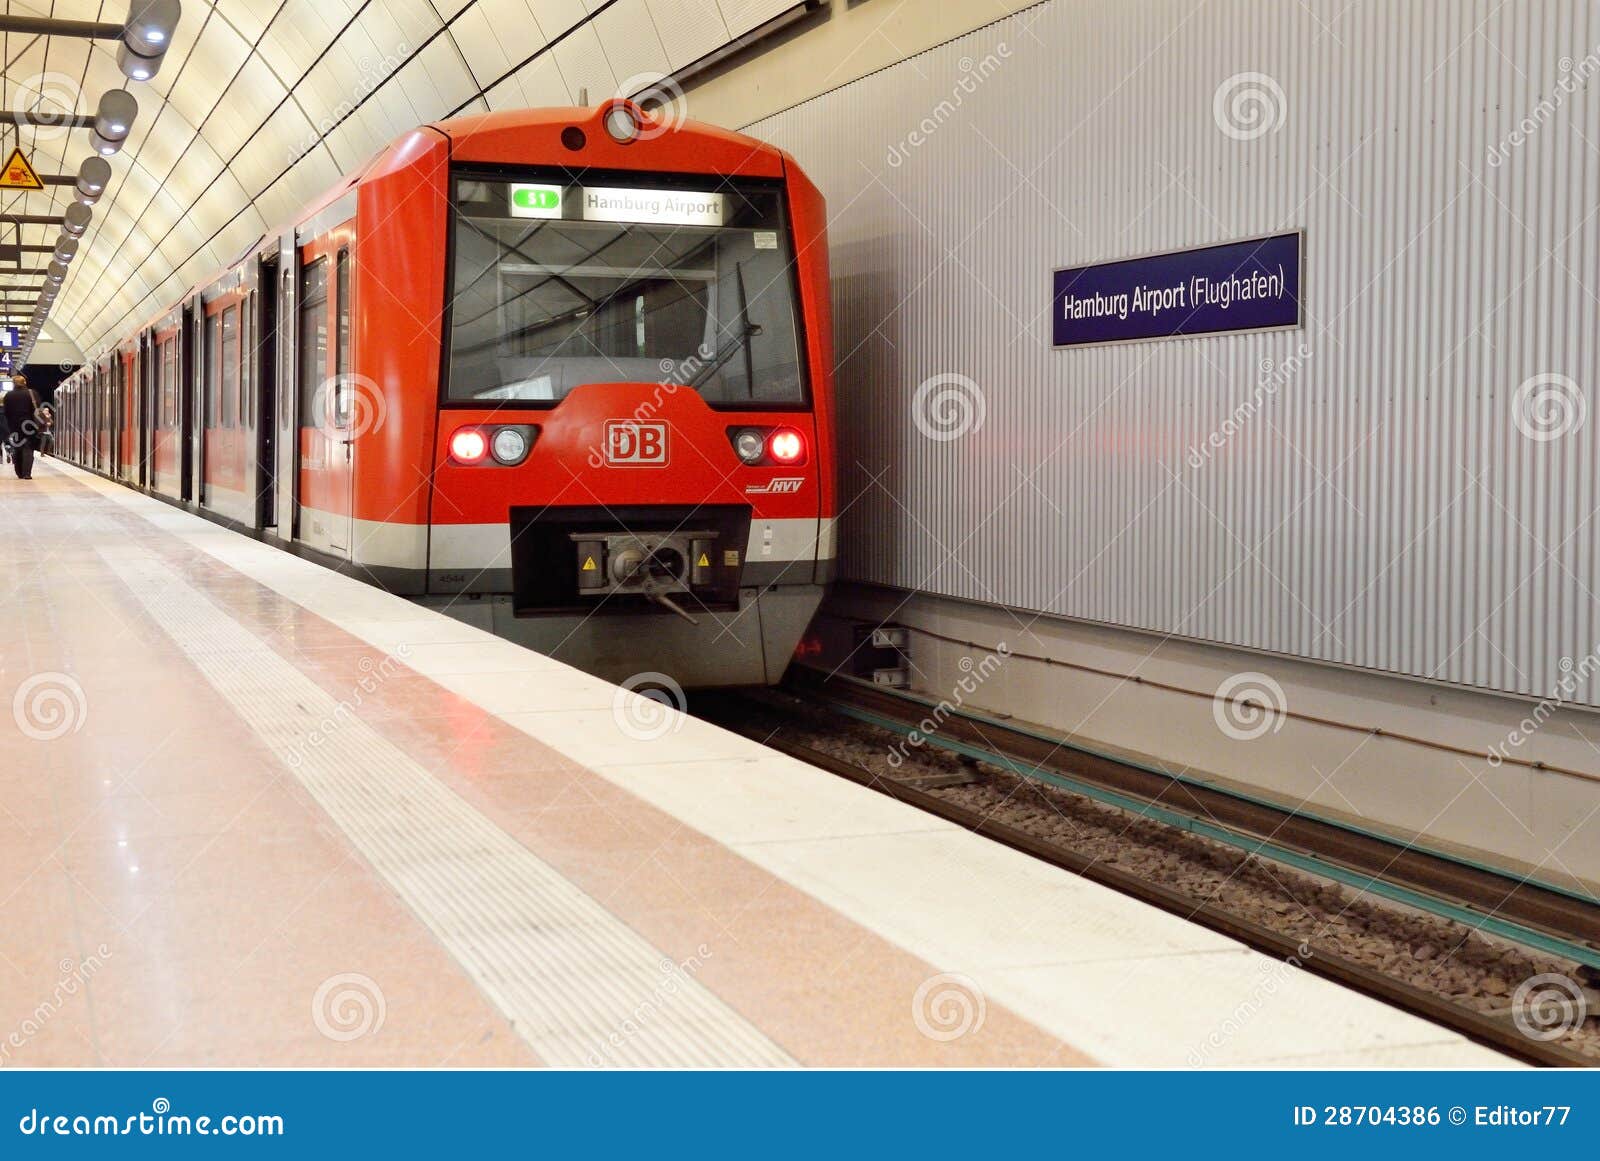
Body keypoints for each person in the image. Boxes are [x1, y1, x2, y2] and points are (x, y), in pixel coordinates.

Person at [3, 374, 41, 479]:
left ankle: (19, 472)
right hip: (30, 425)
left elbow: (6, 412)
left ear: (13, 384)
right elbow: (38, 408)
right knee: (28, 448)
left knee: (17, 448)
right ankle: (27, 474)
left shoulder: (8, 395)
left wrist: (9, 426)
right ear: (24, 382)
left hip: (14, 426)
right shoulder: (32, 393)